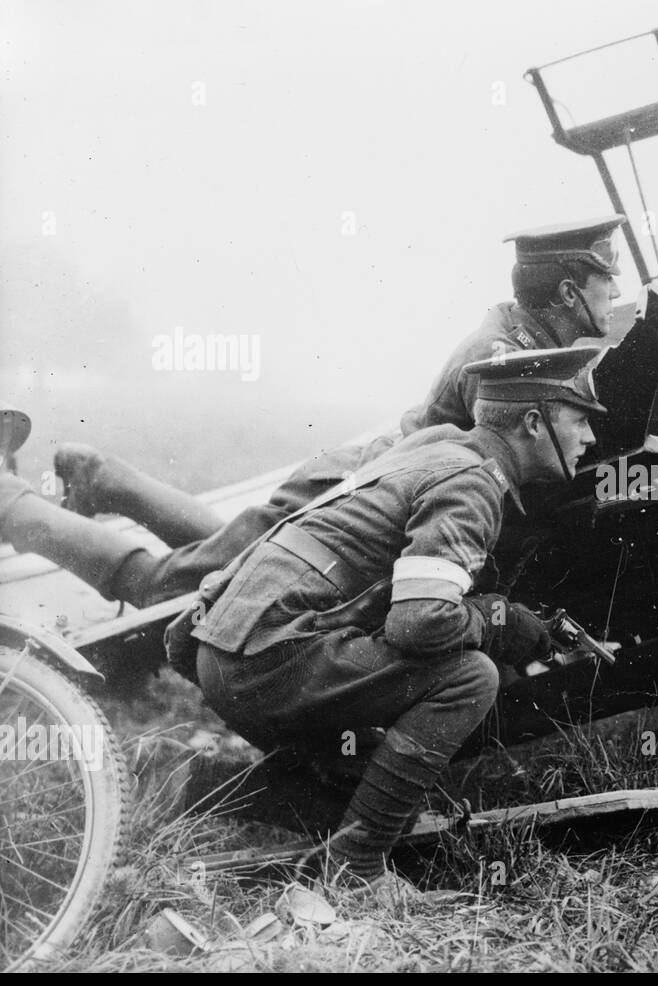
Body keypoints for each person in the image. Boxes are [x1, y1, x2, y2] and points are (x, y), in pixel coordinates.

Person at [0, 216, 624, 609]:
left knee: (235, 556)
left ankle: (107, 480)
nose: (618, 293)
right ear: (569, 292)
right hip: (355, 489)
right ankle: (13, 503)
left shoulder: (531, 343)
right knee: (166, 583)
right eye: (607, 281)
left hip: (367, 484)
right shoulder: (504, 356)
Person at [192, 347, 604, 889]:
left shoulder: (436, 446)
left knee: (370, 796)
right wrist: (497, 620)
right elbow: (418, 623)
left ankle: (193, 781)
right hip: (271, 661)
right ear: (534, 422)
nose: (590, 438)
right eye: (579, 421)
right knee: (470, 677)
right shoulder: (473, 483)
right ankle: (357, 870)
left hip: (225, 648)